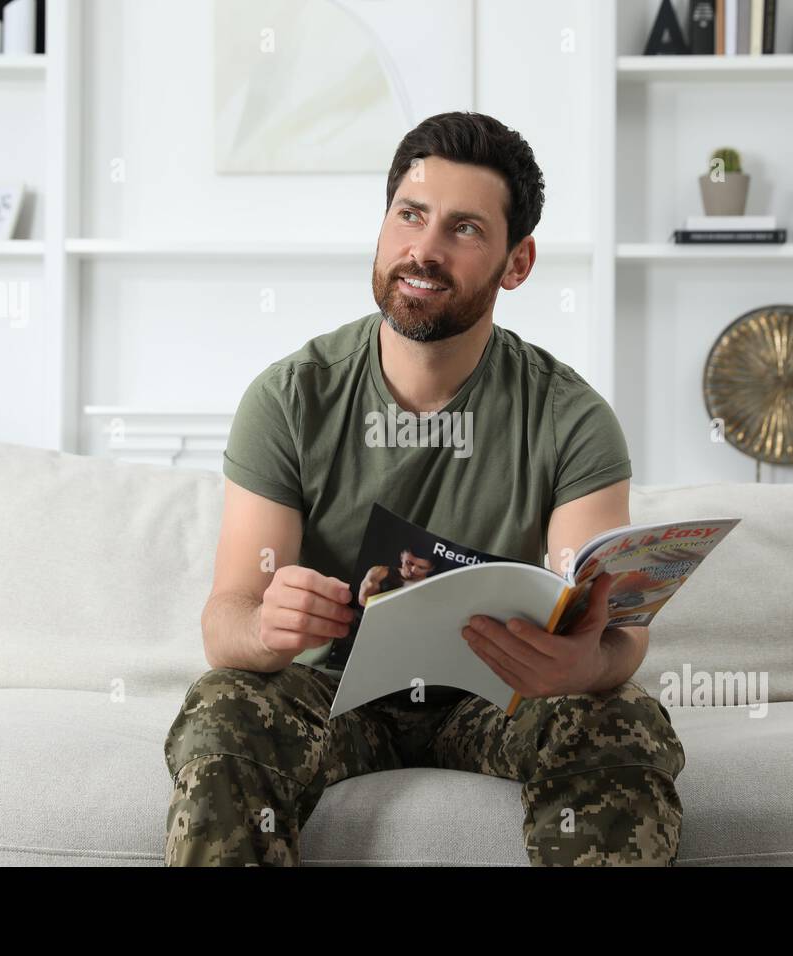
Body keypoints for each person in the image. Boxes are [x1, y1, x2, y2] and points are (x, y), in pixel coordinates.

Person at [163, 111, 686, 866]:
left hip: (497, 699)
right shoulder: (288, 398)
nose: (424, 250)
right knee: (222, 708)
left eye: (465, 229)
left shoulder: (571, 417)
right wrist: (269, 626)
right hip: (331, 695)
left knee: (621, 720)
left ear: (517, 262)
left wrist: (587, 666)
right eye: (410, 215)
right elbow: (228, 620)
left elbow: (614, 628)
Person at [358, 547, 435, 605]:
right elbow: (363, 599)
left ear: (430, 569)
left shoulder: (432, 587)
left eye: (421, 567)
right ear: (402, 558)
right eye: (409, 563)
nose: (413, 569)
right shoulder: (380, 572)